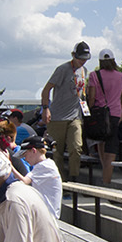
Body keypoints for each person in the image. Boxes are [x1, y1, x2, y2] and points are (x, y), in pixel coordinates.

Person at [41, 40, 89, 182]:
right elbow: (46, 90)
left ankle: (74, 178)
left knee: (76, 147)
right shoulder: (62, 69)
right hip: (58, 117)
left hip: (75, 116)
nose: (82, 61)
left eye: (85, 59)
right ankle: (61, 180)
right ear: (73, 55)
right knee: (58, 152)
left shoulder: (84, 71)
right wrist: (45, 109)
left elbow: (82, 93)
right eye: (80, 58)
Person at [86, 49, 122, 185]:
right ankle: (106, 180)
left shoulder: (94, 75)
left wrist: (88, 112)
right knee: (111, 147)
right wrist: (120, 113)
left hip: (99, 114)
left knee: (101, 144)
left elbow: (91, 98)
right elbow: (121, 97)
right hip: (115, 114)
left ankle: (105, 177)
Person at [14, 136, 62, 217]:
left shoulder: (45, 166)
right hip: (45, 215)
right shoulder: (43, 165)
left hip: (48, 217)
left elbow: (24, 181)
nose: (25, 159)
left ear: (33, 151)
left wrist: (9, 165)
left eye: (25, 155)